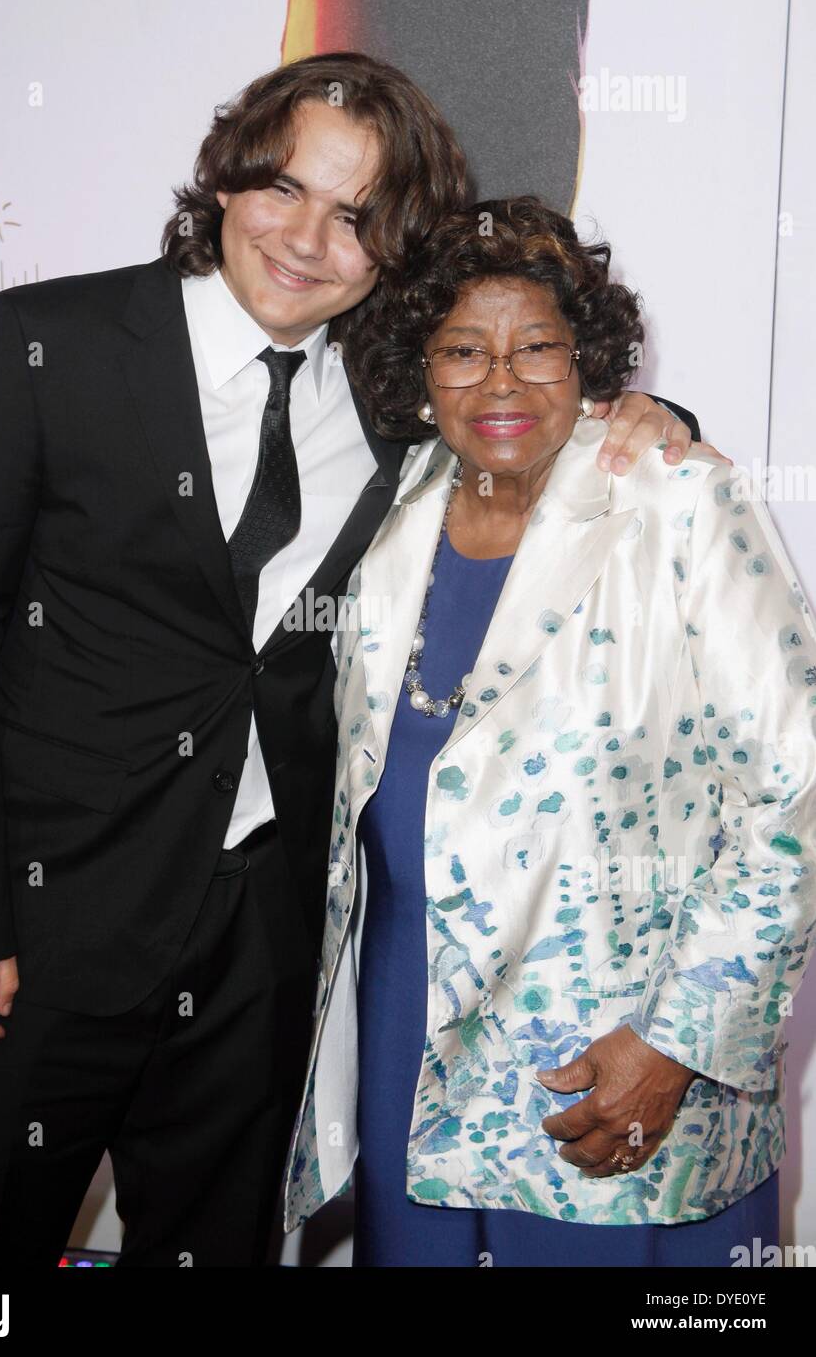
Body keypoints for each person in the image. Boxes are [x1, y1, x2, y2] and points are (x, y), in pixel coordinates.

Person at [0, 56, 702, 1268]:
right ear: (225, 180)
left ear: (396, 248)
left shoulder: (397, 394)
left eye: (357, 215)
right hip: (41, 932)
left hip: (266, 950)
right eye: (283, 188)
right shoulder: (44, 342)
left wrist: (662, 419)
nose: (308, 240)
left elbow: (536, 414)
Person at [283, 196, 816, 1267]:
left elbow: (795, 788)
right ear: (419, 369)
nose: (502, 382)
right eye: (462, 351)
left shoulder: (678, 500)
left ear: (586, 363)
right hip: (403, 1023)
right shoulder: (393, 507)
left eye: (536, 348)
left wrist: (677, 1041)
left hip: (615, 1048)